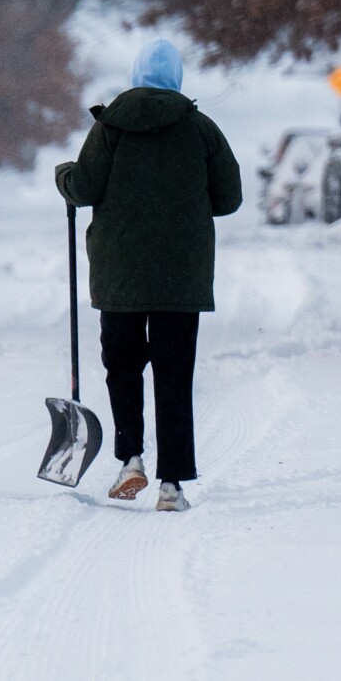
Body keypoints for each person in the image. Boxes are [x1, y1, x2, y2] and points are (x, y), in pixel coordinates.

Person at [55, 39, 242, 511]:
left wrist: (64, 175)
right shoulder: (201, 129)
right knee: (174, 376)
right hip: (181, 279)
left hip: (119, 277)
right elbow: (230, 198)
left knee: (123, 367)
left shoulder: (110, 128)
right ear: (177, 79)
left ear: (135, 75)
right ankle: (171, 486)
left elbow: (83, 187)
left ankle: (130, 460)